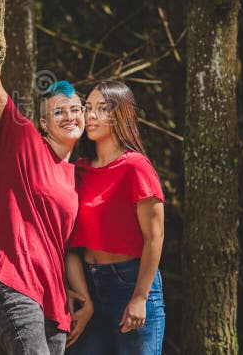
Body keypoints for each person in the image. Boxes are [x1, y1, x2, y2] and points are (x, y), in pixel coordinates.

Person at [0, 0, 92, 354]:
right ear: (44, 123)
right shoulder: (25, 141)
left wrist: (82, 295)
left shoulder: (79, 176)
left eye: (75, 109)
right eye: (59, 112)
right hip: (14, 282)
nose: (70, 116)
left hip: (56, 303)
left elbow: (65, 246)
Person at [65, 80, 166, 354]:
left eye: (102, 109)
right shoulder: (79, 170)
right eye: (87, 108)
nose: (90, 115)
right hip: (86, 290)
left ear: (122, 115)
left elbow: (155, 237)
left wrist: (140, 297)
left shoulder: (136, 167)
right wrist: (82, 294)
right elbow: (69, 243)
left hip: (130, 284)